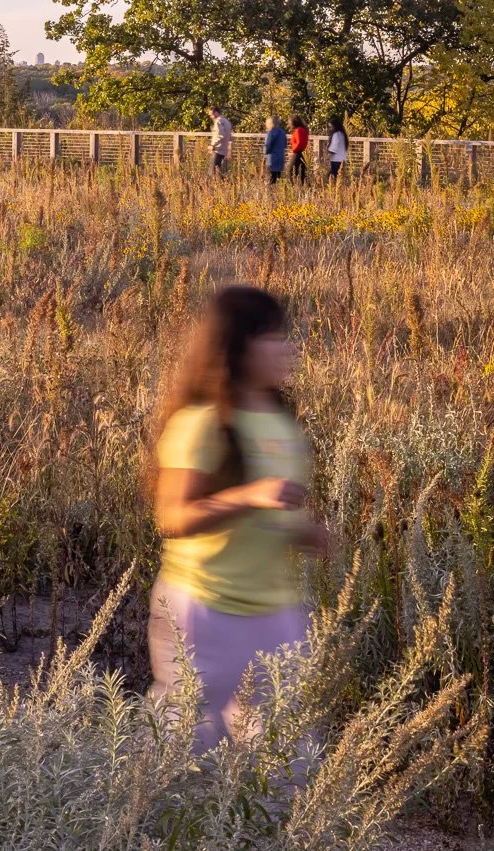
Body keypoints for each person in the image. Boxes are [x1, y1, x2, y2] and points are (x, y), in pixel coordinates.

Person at [147, 285, 328, 753]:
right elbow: (171, 517)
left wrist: (303, 534)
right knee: (186, 750)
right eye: (271, 337)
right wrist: (249, 496)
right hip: (203, 608)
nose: (287, 348)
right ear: (238, 346)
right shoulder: (201, 422)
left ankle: (274, 829)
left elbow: (270, 515)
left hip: (276, 611)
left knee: (287, 754)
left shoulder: (282, 420)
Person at [207, 106, 234, 176]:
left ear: (216, 113)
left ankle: (214, 186)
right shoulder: (227, 121)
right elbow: (230, 137)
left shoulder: (218, 121)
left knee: (213, 174)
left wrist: (212, 145)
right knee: (222, 174)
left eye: (211, 115)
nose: (210, 117)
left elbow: (220, 135)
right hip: (224, 151)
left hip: (218, 150)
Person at [263, 116, 288, 185]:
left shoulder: (270, 133)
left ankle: (270, 194)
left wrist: (264, 153)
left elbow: (267, 147)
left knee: (270, 180)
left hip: (272, 159)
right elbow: (285, 144)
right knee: (278, 179)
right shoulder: (282, 132)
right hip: (280, 158)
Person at [288, 116, 309, 183]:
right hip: (302, 154)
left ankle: (294, 188)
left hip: (297, 154)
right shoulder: (304, 130)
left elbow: (299, 143)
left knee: (291, 172)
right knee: (302, 174)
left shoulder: (298, 130)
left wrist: (293, 150)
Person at [326, 117, 348, 182]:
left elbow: (333, 148)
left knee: (333, 177)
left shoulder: (336, 135)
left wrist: (327, 157)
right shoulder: (343, 134)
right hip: (342, 159)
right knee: (339, 177)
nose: (330, 129)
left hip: (335, 159)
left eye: (331, 127)